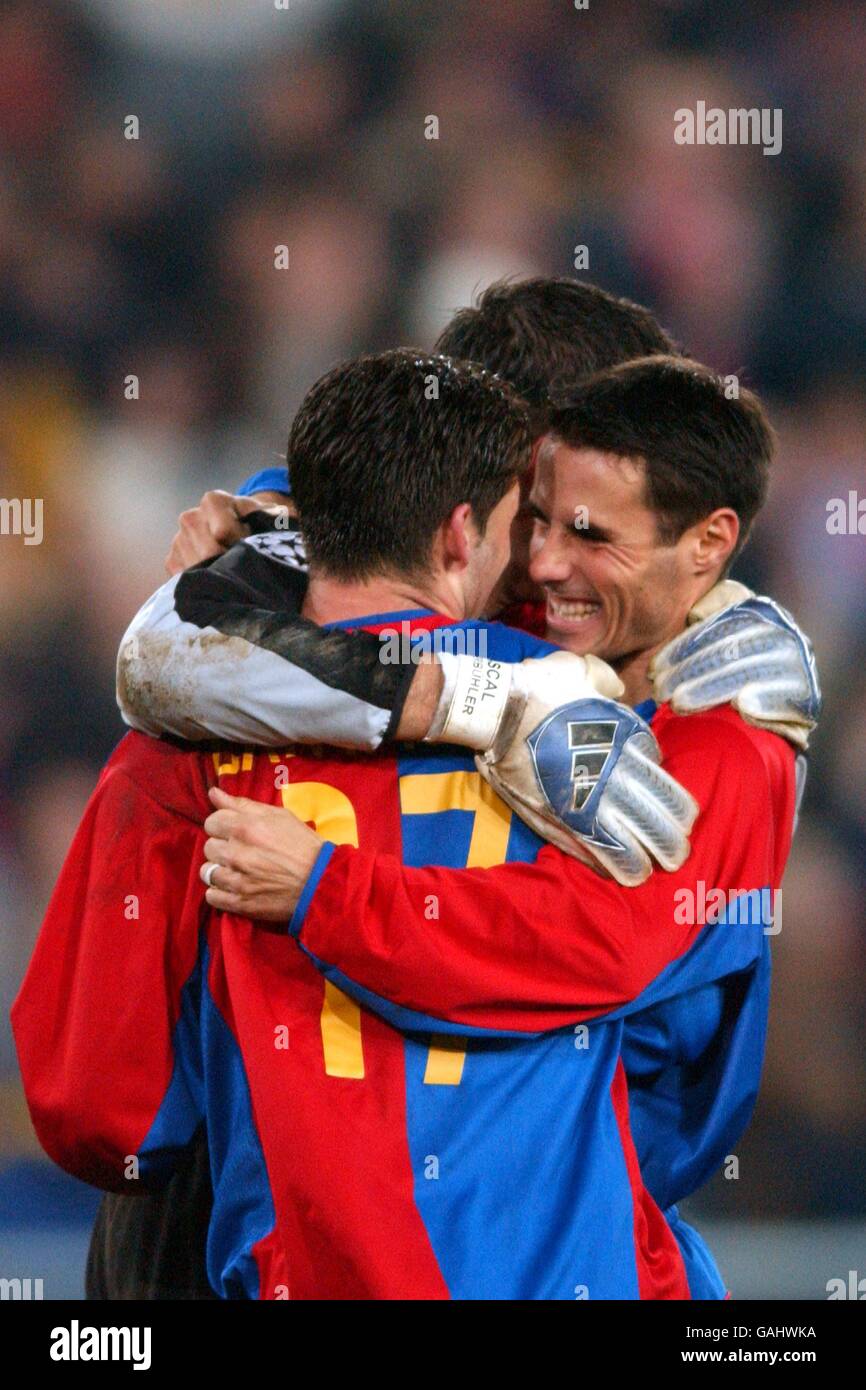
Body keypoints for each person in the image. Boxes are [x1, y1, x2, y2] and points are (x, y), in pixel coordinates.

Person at [15, 351, 707, 1299]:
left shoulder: (175, 755)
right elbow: (682, 1025)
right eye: (524, 525)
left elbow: (100, 1107)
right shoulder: (591, 722)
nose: (540, 562)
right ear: (462, 534)